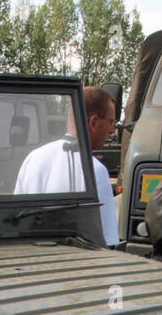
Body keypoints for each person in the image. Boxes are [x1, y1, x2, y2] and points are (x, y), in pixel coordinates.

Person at [14, 86, 119, 246]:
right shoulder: (94, 170)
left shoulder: (32, 159)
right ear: (94, 122)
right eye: (111, 122)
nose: (112, 130)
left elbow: (15, 222)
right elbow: (108, 242)